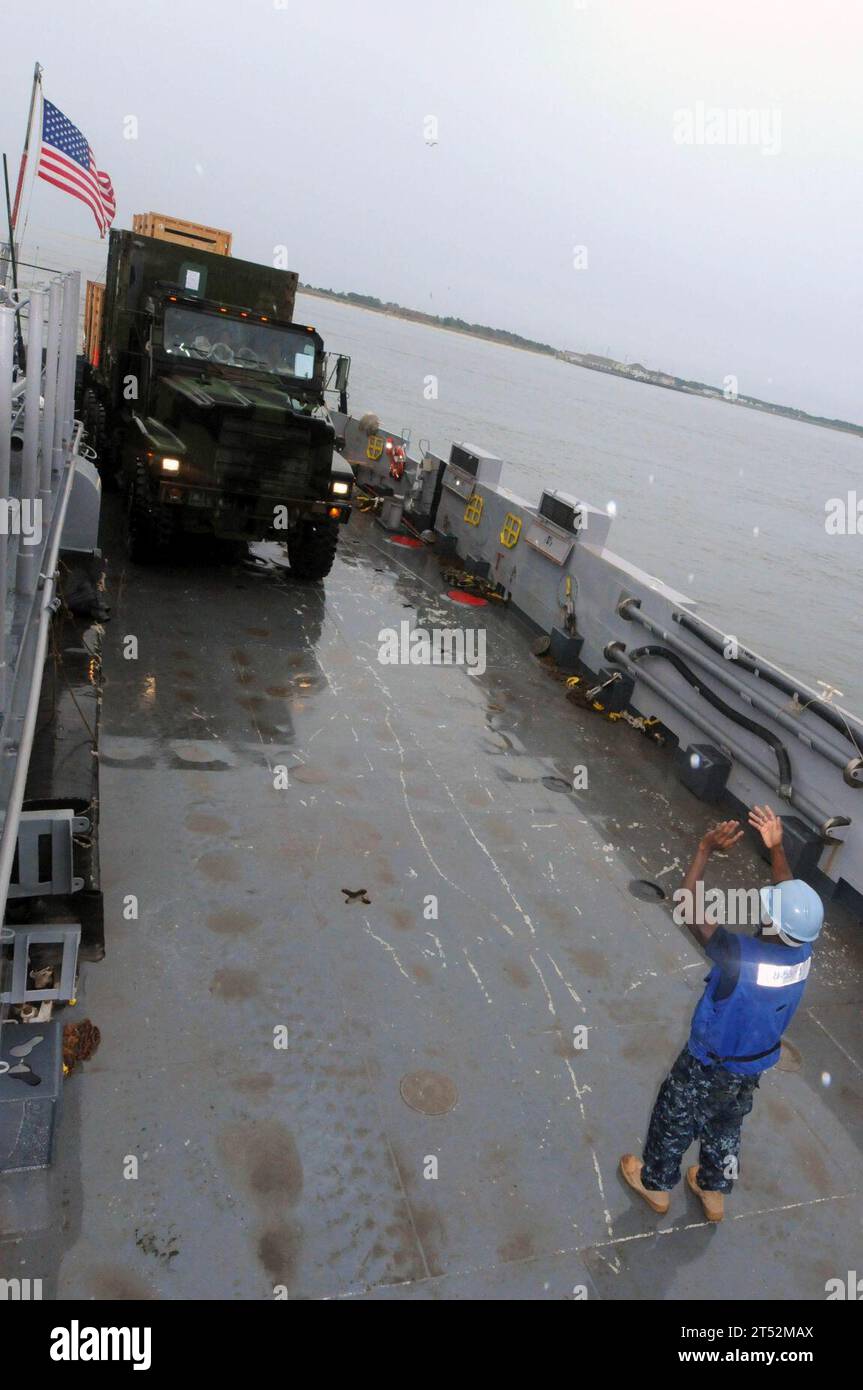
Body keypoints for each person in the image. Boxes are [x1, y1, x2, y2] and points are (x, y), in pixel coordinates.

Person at [620, 805, 823, 1223]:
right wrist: (777, 847)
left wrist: (703, 850)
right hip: (752, 1065)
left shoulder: (738, 956)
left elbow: (687, 905)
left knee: (674, 1114)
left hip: (708, 1064)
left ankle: (655, 1184)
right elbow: (789, 899)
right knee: (727, 1122)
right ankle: (713, 1190)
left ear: (772, 921)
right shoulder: (802, 952)